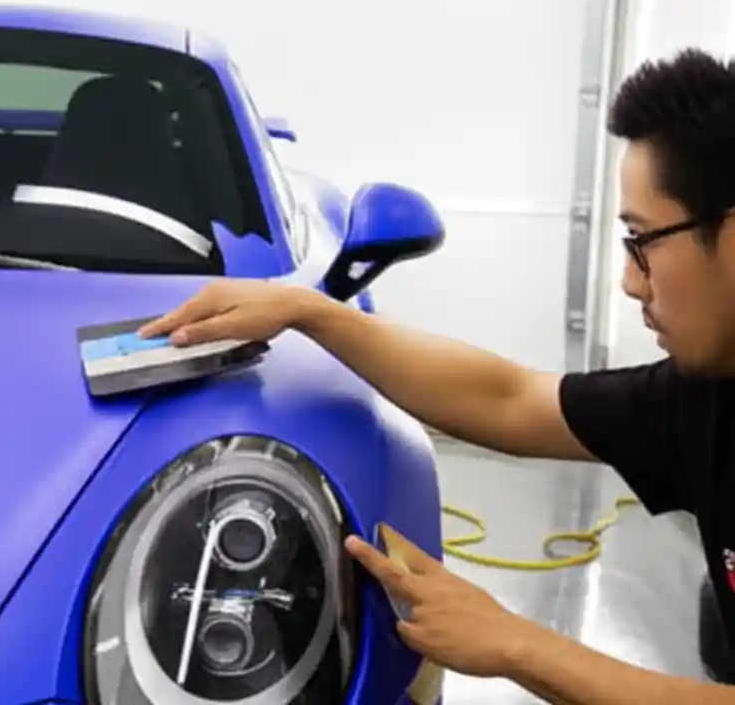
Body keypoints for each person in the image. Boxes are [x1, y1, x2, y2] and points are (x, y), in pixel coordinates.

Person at [139, 47, 735, 703]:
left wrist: (514, 643)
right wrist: (309, 312)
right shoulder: (703, 394)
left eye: (642, 241)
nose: (628, 281)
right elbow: (511, 399)